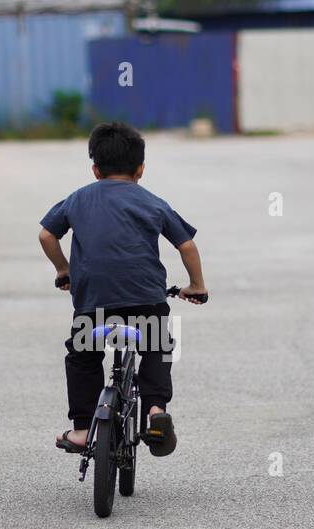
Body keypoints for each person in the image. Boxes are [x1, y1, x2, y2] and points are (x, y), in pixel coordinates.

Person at [38, 122, 208, 457]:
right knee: (157, 346)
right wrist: (197, 286)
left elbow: (46, 235)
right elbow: (186, 245)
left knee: (83, 357)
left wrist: (63, 270)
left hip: (93, 304)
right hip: (147, 300)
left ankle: (82, 429)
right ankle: (156, 411)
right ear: (140, 169)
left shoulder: (78, 199)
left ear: (95, 169)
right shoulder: (153, 202)